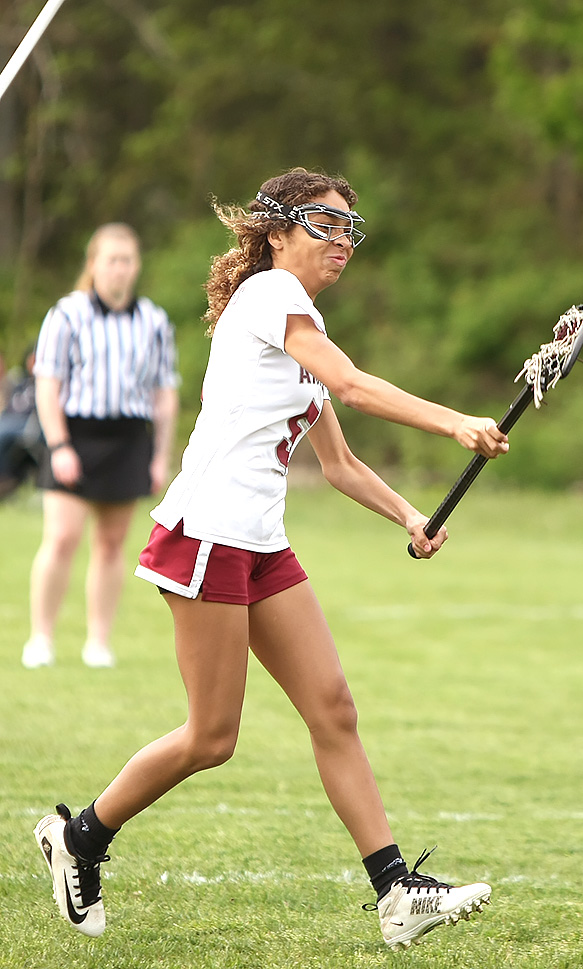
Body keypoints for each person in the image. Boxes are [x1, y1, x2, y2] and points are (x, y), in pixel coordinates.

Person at [32, 168, 509, 950]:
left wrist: (413, 515)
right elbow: (353, 387)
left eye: (351, 228)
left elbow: (341, 463)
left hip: (260, 543)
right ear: (278, 231)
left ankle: (395, 891)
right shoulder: (270, 298)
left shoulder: (303, 333)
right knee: (211, 737)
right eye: (324, 223)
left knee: (334, 707)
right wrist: (456, 423)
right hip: (207, 535)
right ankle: (79, 837)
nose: (341, 240)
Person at [21, 224, 180, 669]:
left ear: (136, 267)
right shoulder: (66, 315)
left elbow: (164, 394)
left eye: (127, 260)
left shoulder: (154, 320)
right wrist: (60, 446)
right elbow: (47, 385)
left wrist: (160, 456)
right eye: (111, 259)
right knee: (62, 537)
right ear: (93, 264)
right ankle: (41, 638)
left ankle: (98, 642)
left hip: (128, 437)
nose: (119, 269)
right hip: (76, 433)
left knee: (112, 544)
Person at [0, 345, 44, 500]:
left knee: (2, 434)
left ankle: (5, 480)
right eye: (31, 360)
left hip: (29, 426)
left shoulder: (44, 385)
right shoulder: (21, 382)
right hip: (9, 423)